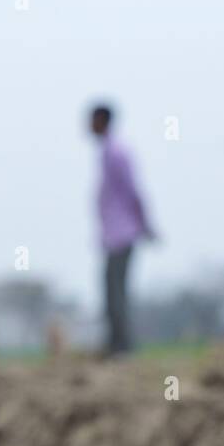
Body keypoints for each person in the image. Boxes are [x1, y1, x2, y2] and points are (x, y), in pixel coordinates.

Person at [89, 103, 153, 355]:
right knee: (110, 288)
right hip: (113, 234)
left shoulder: (116, 153)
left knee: (116, 290)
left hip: (122, 234)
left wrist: (145, 225)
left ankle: (122, 347)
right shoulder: (106, 153)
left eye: (92, 120)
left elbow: (133, 191)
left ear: (102, 121)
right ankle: (116, 344)